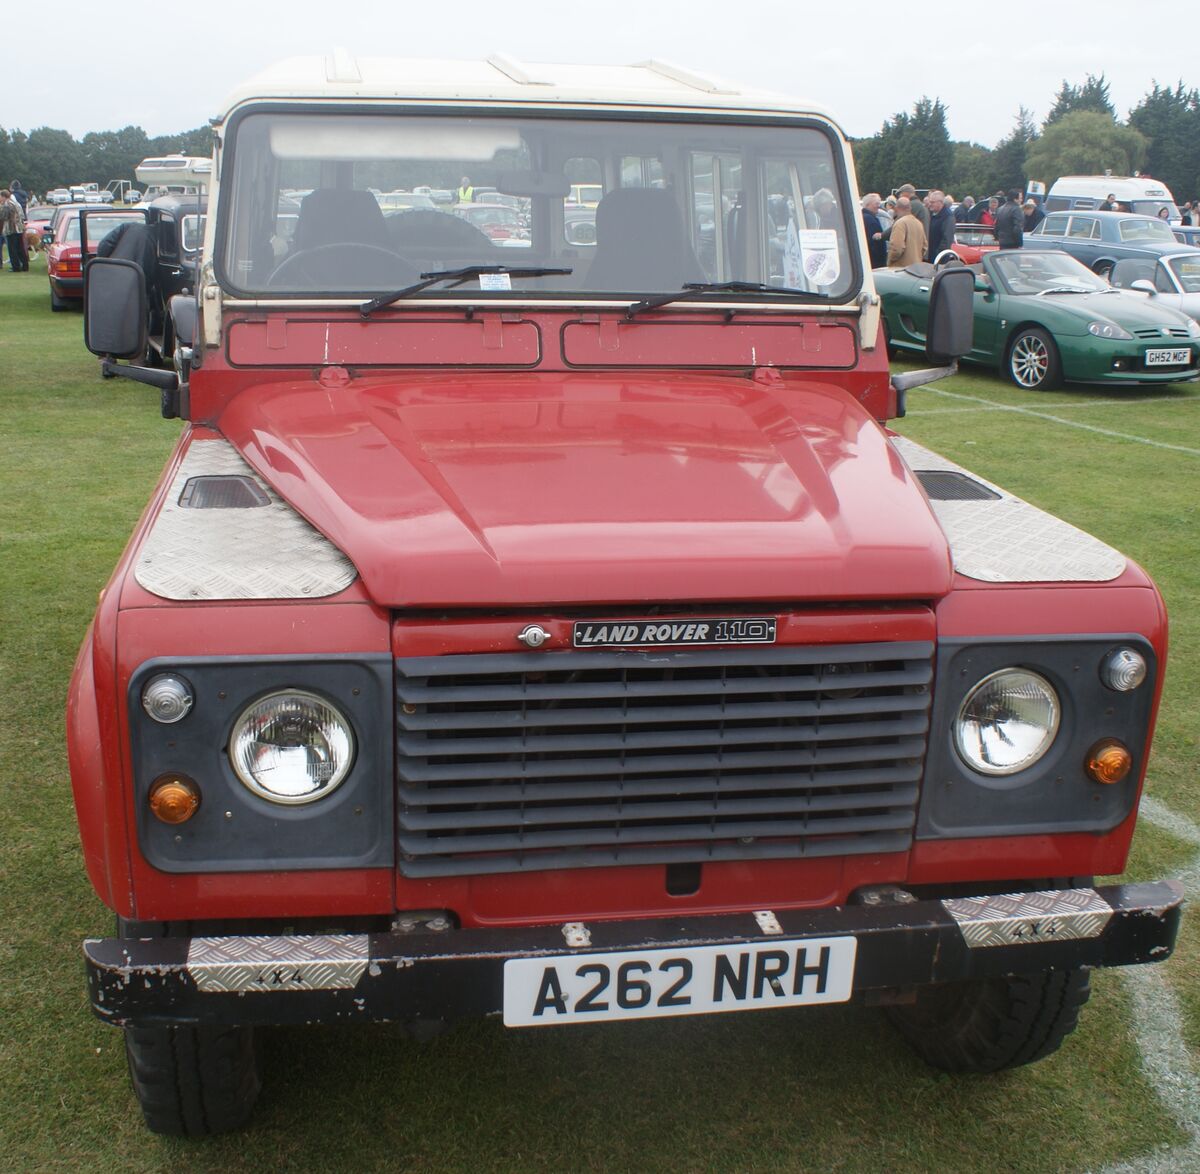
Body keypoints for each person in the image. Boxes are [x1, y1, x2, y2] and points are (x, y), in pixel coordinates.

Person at [887, 196, 927, 267]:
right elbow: (924, 246)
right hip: (916, 267)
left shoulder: (900, 223)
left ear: (896, 208)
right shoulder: (918, 223)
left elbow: (897, 248)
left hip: (900, 268)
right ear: (910, 208)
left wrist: (890, 259)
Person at [0, 189, 28, 271]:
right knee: (20, 248)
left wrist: (1, 207)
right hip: (19, 228)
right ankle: (25, 266)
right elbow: (22, 215)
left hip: (11, 229)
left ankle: (16, 267)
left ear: (3, 196)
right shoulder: (16, 203)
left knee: (12, 249)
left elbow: (3, 216)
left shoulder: (7, 204)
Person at [925, 190, 956, 260]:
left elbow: (947, 240)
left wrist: (938, 255)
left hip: (939, 258)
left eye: (932, 202)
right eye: (930, 202)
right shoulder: (930, 213)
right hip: (929, 255)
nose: (930, 204)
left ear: (940, 202)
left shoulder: (948, 216)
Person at [861, 192, 887, 269]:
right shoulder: (870, 220)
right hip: (874, 262)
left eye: (879, 203)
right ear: (867, 204)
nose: (879, 206)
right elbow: (874, 243)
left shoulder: (862, 217)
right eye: (876, 203)